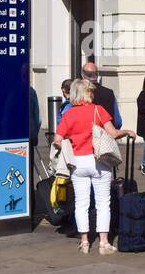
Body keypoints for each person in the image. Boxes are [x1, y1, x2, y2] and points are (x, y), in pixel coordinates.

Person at [52, 77, 136, 254]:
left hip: (77, 163)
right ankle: (104, 242)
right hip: (99, 161)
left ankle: (84, 242)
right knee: (103, 203)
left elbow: (57, 140)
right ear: (86, 93)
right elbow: (113, 133)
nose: (92, 93)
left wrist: (70, 145)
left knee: (81, 203)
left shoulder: (68, 114)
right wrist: (126, 132)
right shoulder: (98, 110)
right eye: (90, 91)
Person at [81, 58, 122, 128]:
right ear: (97, 75)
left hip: (86, 135)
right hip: (107, 134)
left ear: (82, 75)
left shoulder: (79, 93)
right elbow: (118, 121)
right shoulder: (109, 93)